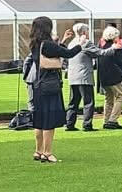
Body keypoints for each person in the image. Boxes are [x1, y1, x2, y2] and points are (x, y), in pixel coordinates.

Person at [27, 16, 82, 162]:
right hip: (50, 85)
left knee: (39, 119)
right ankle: (48, 152)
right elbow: (68, 54)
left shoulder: (35, 44)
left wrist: (63, 41)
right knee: (49, 120)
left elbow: (55, 51)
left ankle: (38, 151)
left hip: (38, 85)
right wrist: (81, 43)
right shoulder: (47, 44)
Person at [64, 23, 103, 132]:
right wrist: (113, 48)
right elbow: (98, 53)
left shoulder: (71, 43)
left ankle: (69, 124)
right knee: (88, 102)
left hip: (73, 76)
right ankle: (87, 124)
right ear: (84, 32)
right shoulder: (86, 42)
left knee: (73, 102)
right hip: (84, 76)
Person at [97, 25, 122, 129]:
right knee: (121, 97)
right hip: (114, 76)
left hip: (103, 76)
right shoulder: (114, 47)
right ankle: (112, 120)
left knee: (108, 99)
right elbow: (120, 61)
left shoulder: (102, 45)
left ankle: (106, 120)